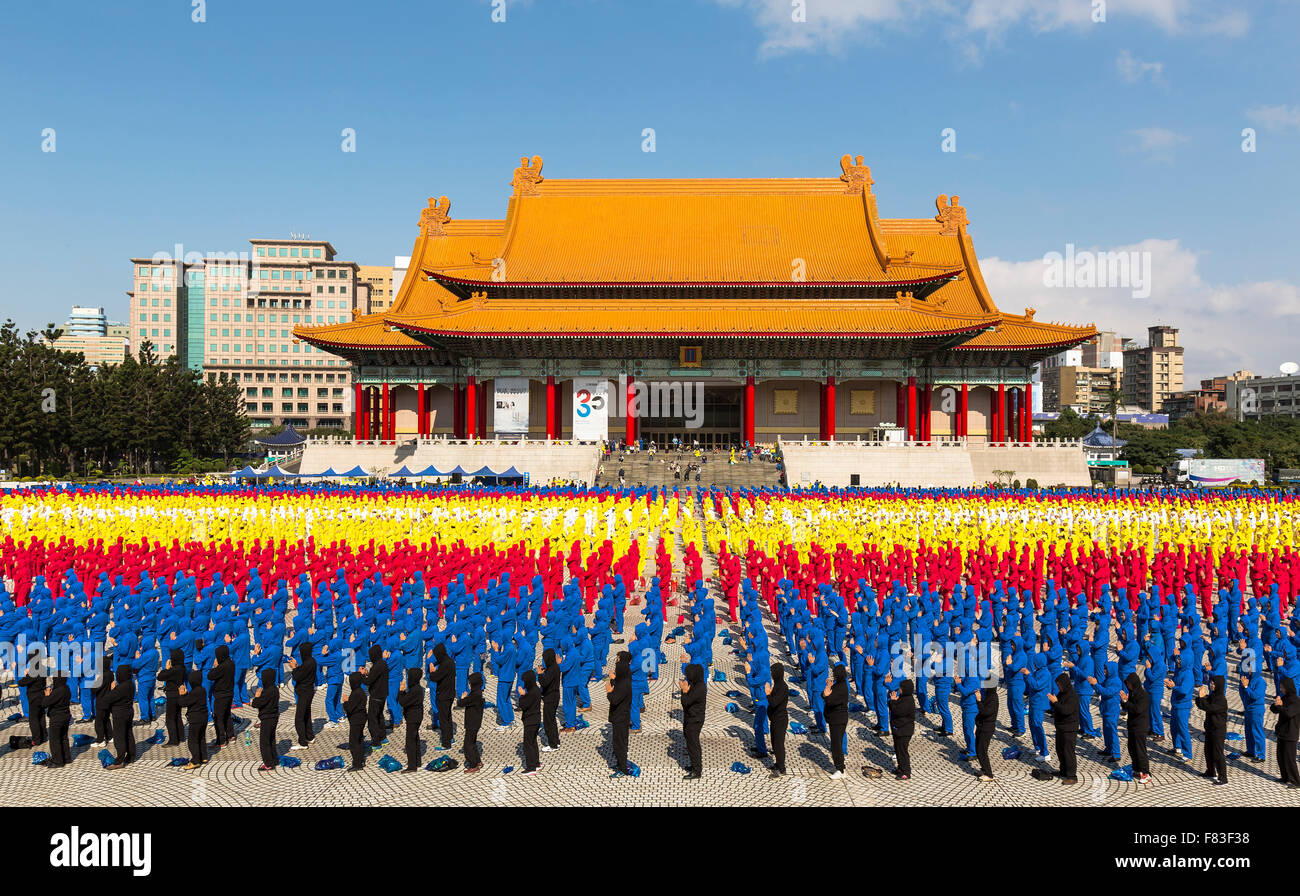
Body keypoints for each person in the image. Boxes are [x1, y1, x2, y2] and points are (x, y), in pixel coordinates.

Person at [1196, 675, 1229, 785]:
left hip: (1218, 730)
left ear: (1219, 685)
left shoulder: (1221, 699)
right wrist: (1200, 698)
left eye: (1214, 683)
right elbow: (1202, 705)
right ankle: (1210, 771)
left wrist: (1202, 698)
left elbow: (1209, 707)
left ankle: (1223, 777)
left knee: (1217, 753)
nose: (1211, 685)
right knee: (1208, 751)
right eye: (1211, 683)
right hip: (1210, 728)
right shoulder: (1212, 696)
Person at [1047, 671, 1079, 784]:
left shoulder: (1072, 696)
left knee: (1068, 751)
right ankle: (1064, 771)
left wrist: (1055, 702)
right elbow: (1057, 706)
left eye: (1059, 685)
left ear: (1064, 684)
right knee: (1060, 750)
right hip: (1061, 727)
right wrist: (1053, 702)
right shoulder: (1062, 693)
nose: (1058, 687)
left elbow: (1065, 710)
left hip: (1069, 728)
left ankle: (1072, 776)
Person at [104, 664, 137, 769]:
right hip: (129, 712)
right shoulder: (130, 684)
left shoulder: (121, 688)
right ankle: (131, 756)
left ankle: (119, 761)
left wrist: (112, 689)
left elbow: (109, 698)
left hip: (120, 714)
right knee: (128, 734)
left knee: (119, 737)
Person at [1121, 671, 1151, 783]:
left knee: (1140, 750)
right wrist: (1124, 701)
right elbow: (1128, 707)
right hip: (1132, 726)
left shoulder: (1143, 695)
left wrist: (1126, 702)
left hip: (1140, 727)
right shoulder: (1132, 693)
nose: (1128, 686)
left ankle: (1146, 773)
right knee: (1132, 749)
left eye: (1129, 683)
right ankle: (1137, 769)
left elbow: (1137, 709)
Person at [606, 651, 632, 777]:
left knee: (620, 744)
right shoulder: (624, 678)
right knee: (619, 742)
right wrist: (613, 680)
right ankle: (620, 763)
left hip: (621, 717)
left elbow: (615, 699)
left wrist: (609, 692)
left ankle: (623, 769)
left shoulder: (623, 684)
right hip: (621, 716)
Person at [1270, 677, 1300, 788]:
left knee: (1290, 759)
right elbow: (1274, 710)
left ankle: (1296, 781)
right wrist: (1275, 705)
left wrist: (1281, 706)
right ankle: (1285, 777)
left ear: (1288, 687)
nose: (1281, 689)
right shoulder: (1285, 698)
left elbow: (1288, 713)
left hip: (1291, 734)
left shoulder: (1296, 701)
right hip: (1282, 732)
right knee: (1280, 756)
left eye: (1282, 687)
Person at [177, 669, 209, 769]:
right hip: (204, 717)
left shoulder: (194, 692)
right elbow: (191, 701)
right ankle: (203, 757)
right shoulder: (202, 690)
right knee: (201, 737)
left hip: (196, 719)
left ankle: (195, 761)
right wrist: (186, 695)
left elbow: (183, 703)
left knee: (193, 740)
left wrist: (182, 695)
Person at [823, 664, 849, 779]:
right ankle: (838, 766)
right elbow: (825, 695)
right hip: (836, 718)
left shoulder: (841, 687)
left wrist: (828, 690)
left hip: (838, 719)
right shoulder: (839, 685)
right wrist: (828, 688)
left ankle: (840, 769)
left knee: (836, 745)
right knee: (835, 743)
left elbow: (830, 700)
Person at [397, 667, 426, 773]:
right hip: (416, 716)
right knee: (415, 738)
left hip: (413, 717)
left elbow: (403, 702)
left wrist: (401, 691)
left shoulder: (415, 690)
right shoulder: (417, 688)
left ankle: (412, 766)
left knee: (410, 741)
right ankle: (417, 761)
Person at [428, 643, 456, 750]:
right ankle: (450, 738)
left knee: (443, 719)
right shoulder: (449, 661)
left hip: (444, 694)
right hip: (450, 693)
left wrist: (432, 672)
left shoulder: (445, 664)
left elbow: (436, 677)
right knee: (448, 717)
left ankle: (446, 744)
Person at [361, 645, 389, 752]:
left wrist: (362, 675)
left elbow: (368, 681)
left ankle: (376, 742)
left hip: (376, 696)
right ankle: (383, 737)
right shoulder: (383, 663)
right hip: (383, 695)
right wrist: (369, 673)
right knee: (380, 716)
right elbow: (375, 676)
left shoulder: (377, 666)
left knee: (372, 719)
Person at [681, 663, 706, 780]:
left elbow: (686, 702)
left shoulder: (700, 688)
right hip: (690, 717)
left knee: (693, 745)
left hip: (695, 719)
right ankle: (693, 765)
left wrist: (684, 691)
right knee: (689, 741)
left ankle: (697, 770)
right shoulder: (695, 683)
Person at [251, 668, 280, 771]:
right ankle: (274, 759)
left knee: (264, 742)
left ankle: (268, 763)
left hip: (267, 719)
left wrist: (257, 696)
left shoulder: (267, 692)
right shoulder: (275, 689)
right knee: (271, 739)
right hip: (274, 717)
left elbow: (255, 704)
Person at [289, 643, 316, 751]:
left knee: (299, 718)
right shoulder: (311, 661)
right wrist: (297, 666)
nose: (299, 653)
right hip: (309, 691)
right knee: (306, 715)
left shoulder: (307, 664)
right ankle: (309, 736)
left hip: (304, 693)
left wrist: (294, 668)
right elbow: (304, 672)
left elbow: (297, 676)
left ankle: (302, 742)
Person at [888, 677, 916, 780]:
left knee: (903, 751)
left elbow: (897, 711)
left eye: (900, 688)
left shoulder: (908, 701)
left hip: (904, 731)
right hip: (899, 729)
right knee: (898, 750)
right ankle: (900, 768)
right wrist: (894, 701)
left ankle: (906, 772)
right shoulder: (904, 698)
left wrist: (893, 701)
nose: (899, 689)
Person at [208, 645, 236, 747]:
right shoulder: (231, 663)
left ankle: (221, 741)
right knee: (227, 715)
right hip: (229, 694)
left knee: (218, 718)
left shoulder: (221, 667)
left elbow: (210, 676)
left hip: (221, 695)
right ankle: (230, 735)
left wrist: (215, 666)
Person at [43, 675, 73, 768]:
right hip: (66, 716)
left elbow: (44, 703)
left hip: (57, 718)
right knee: (64, 737)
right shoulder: (67, 688)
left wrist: (47, 695)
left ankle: (57, 761)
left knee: (55, 739)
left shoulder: (57, 691)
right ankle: (66, 757)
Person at [158, 648, 185, 746]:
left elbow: (160, 677)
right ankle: (181, 736)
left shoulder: (174, 670)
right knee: (178, 716)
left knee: (170, 718)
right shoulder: (182, 667)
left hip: (172, 695)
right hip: (179, 694)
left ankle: (173, 740)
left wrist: (166, 668)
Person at [766, 662, 789, 778]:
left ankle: (782, 768)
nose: (771, 674)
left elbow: (774, 702)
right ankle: (778, 763)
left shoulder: (783, 687)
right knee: (775, 742)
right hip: (775, 718)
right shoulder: (777, 684)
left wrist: (768, 694)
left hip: (780, 720)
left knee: (779, 744)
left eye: (772, 672)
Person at [518, 669, 542, 775]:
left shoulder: (531, 692)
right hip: (536, 719)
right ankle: (536, 763)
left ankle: (531, 767)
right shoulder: (535, 689)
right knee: (533, 742)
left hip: (530, 721)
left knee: (528, 744)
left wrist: (522, 695)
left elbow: (523, 705)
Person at [343, 671, 368, 771]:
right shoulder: (360, 691)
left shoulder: (356, 693)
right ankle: (360, 760)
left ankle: (357, 764)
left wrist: (345, 702)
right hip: (361, 718)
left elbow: (349, 708)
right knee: (359, 740)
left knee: (354, 742)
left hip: (356, 720)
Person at [539, 647, 562, 753]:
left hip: (550, 698)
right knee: (552, 721)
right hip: (555, 696)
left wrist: (539, 675)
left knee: (548, 722)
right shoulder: (554, 667)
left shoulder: (552, 669)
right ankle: (556, 741)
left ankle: (552, 744)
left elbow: (544, 683)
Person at [974, 684, 999, 781]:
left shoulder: (993, 698)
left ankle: (989, 774)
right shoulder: (989, 695)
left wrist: (979, 700)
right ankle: (984, 769)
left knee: (982, 751)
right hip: (982, 726)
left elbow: (986, 712)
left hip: (987, 728)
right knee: (978, 748)